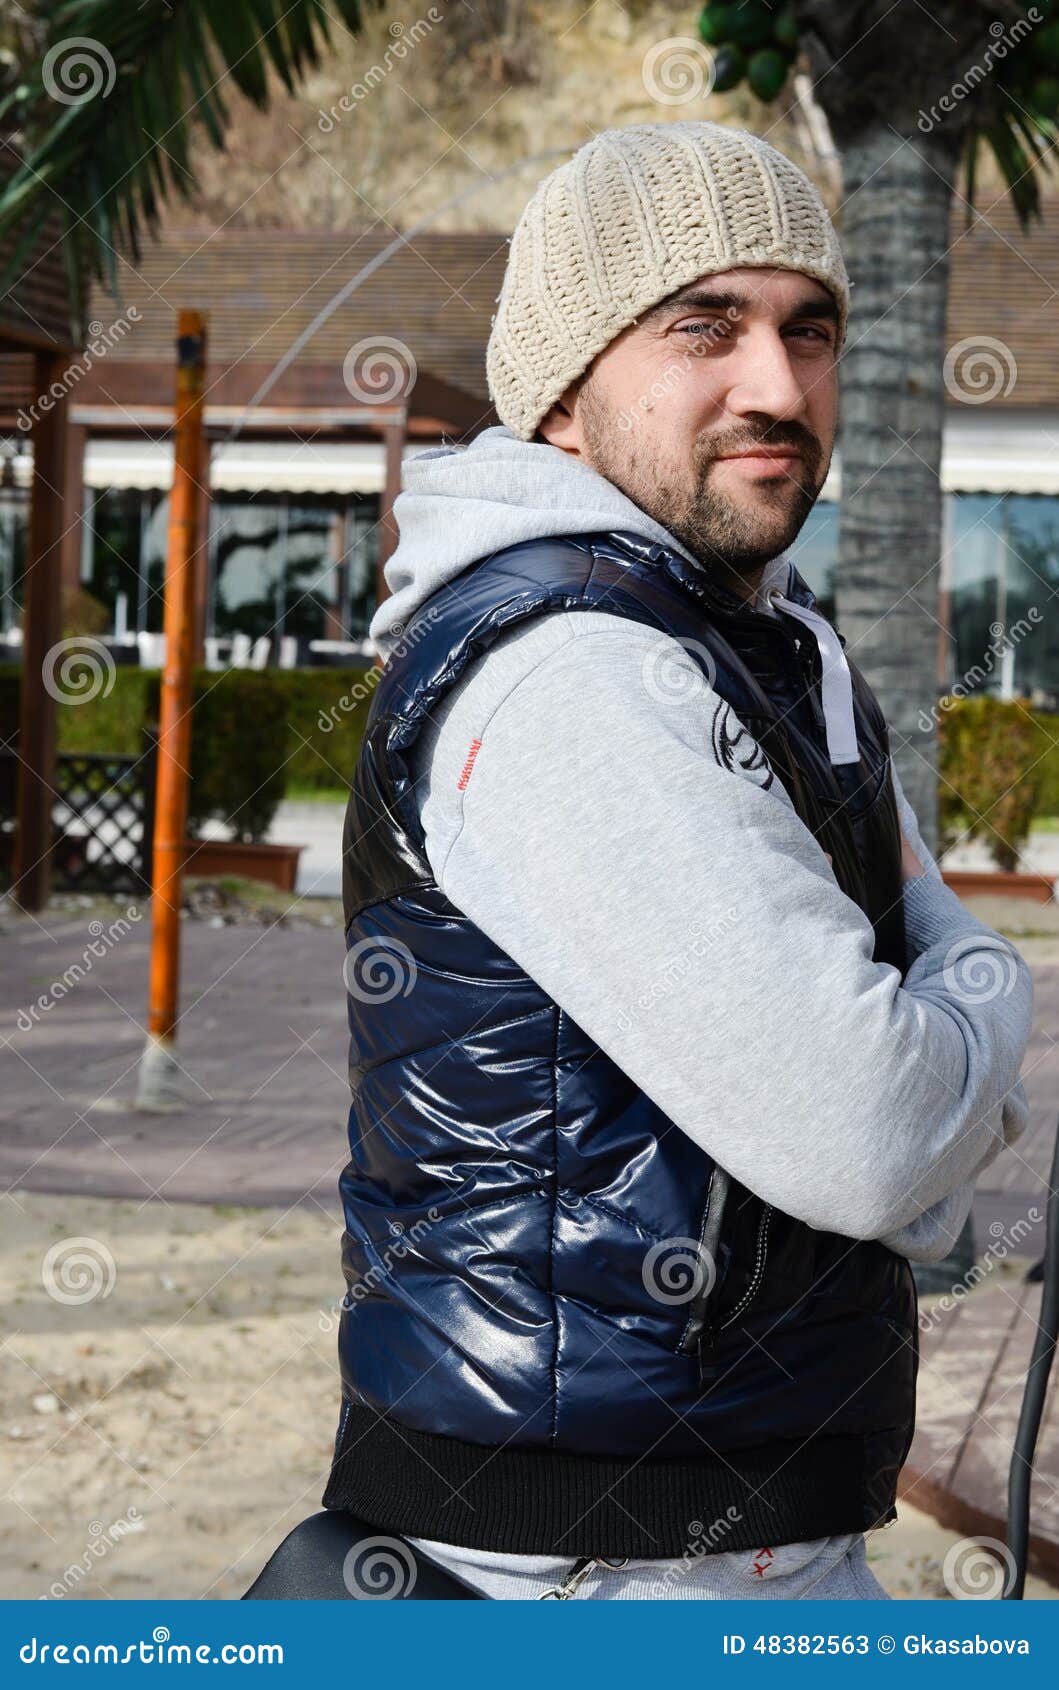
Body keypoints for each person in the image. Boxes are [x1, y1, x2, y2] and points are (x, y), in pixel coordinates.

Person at [322, 122, 1033, 1601]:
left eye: (808, 328)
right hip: (604, 1563)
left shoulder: (757, 642)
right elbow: (876, 1129)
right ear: (567, 393)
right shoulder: (571, 675)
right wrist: (990, 979)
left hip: (730, 1510)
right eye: (703, 326)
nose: (776, 386)